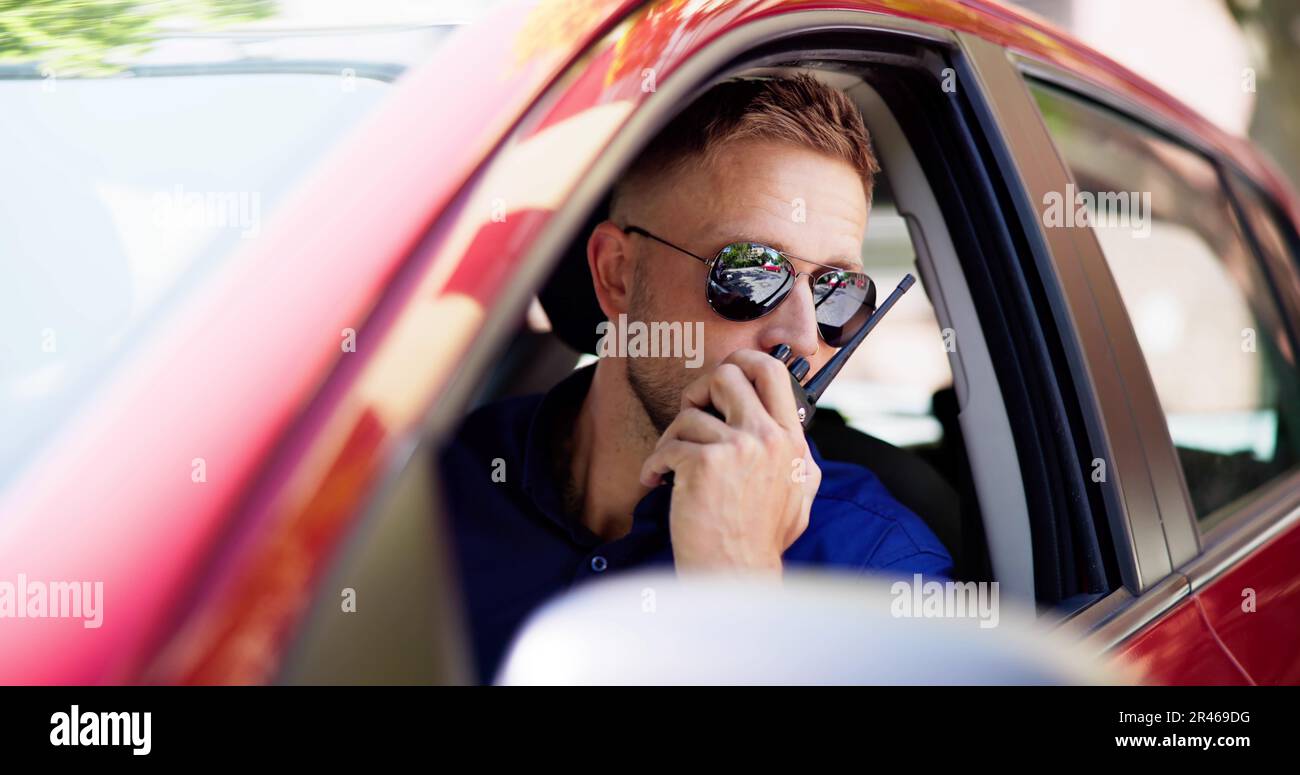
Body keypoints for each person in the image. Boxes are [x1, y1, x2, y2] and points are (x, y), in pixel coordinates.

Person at [440, 74, 952, 683]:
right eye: (750, 273)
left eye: (836, 289)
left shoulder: (879, 567)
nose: (801, 334)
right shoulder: (443, 484)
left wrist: (738, 583)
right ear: (617, 276)